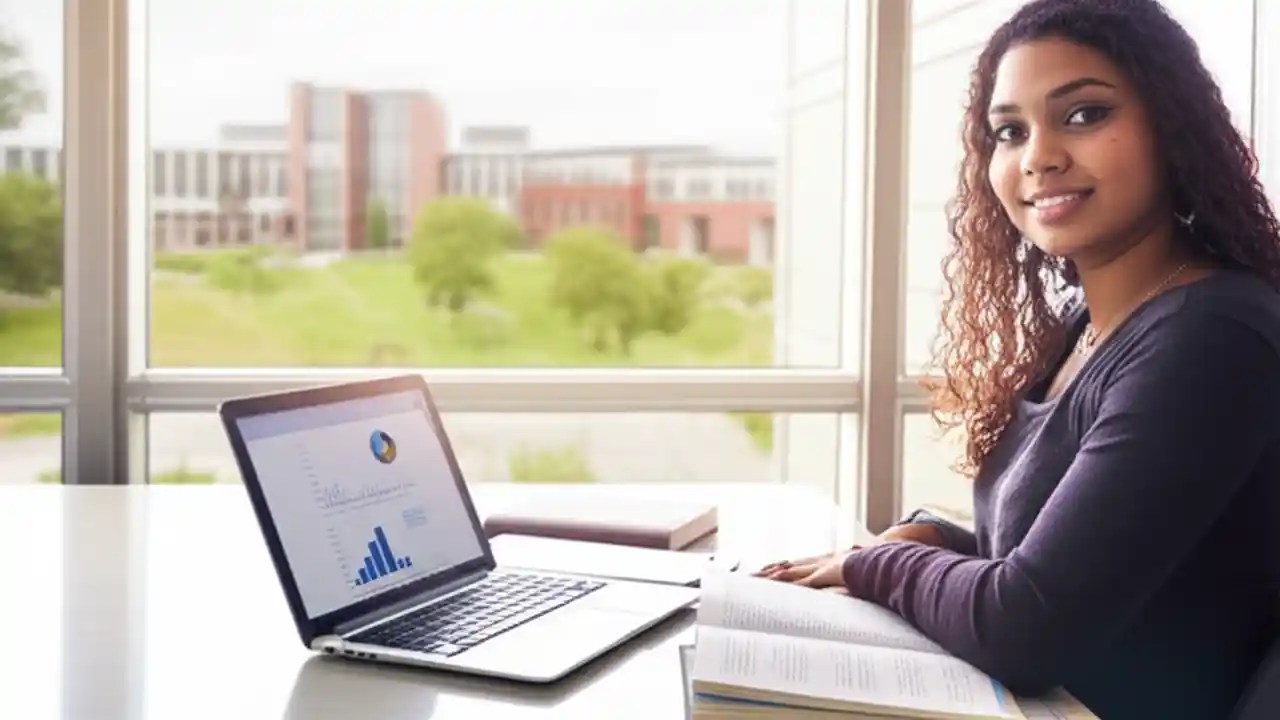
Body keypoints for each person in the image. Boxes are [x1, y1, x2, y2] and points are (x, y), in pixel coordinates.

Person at [755, 1, 1280, 717]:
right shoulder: (1083, 325)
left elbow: (1026, 625)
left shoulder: (1211, 335)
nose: (1039, 156)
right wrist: (938, 538)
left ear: (1171, 127)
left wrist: (873, 562)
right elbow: (1089, 560)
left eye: (1085, 114)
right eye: (1010, 131)